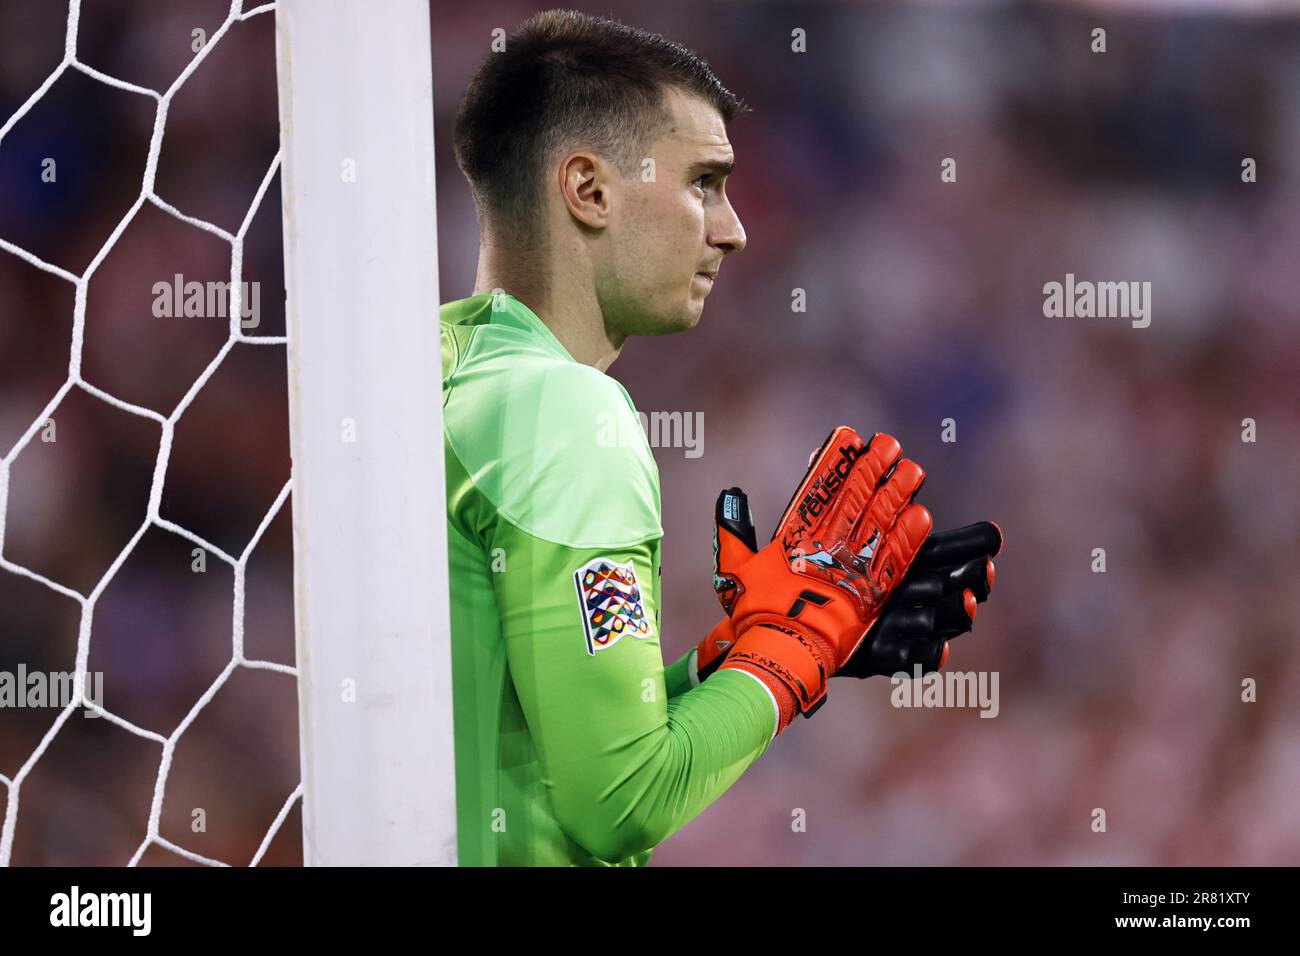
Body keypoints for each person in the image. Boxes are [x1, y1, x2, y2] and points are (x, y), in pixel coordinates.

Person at [440, 9, 998, 867]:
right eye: (704, 182)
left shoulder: (437, 369)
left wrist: (733, 662)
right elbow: (620, 803)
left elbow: (535, 739)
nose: (732, 228)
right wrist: (794, 655)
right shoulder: (565, 414)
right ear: (588, 190)